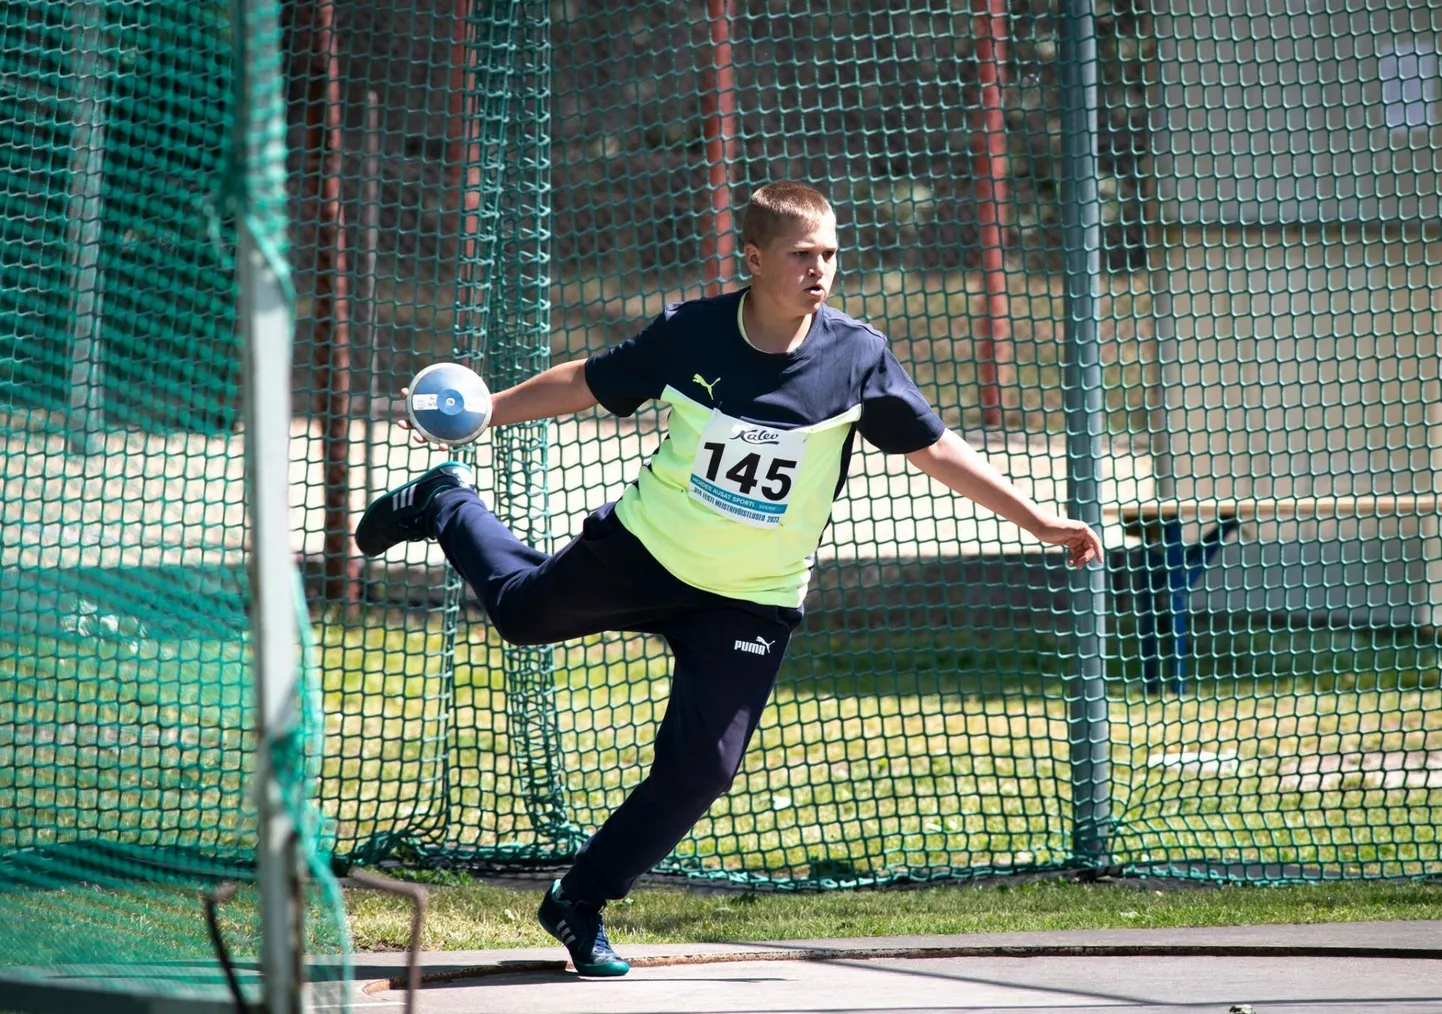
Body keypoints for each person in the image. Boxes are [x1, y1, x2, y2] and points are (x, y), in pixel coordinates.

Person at [355, 181, 1102, 976]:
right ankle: (444, 500)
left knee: (703, 768)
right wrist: (485, 412)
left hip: (753, 595)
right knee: (522, 616)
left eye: (830, 255)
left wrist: (1040, 522)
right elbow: (586, 381)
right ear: (754, 259)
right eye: (802, 255)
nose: (821, 270)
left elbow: (934, 449)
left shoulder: (857, 356)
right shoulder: (693, 334)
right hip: (646, 550)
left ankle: (580, 899)